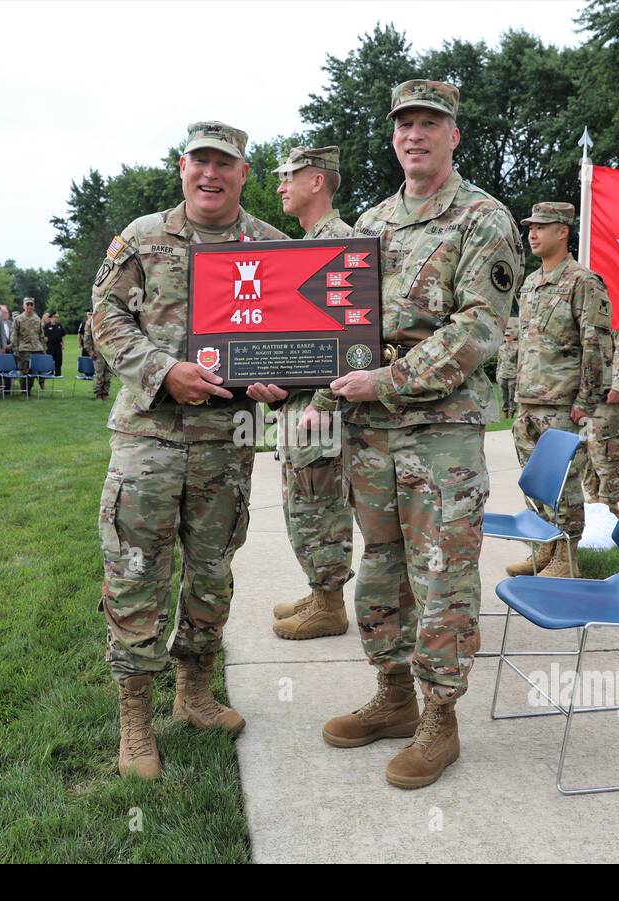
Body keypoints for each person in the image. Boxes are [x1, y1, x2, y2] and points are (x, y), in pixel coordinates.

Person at [320, 80, 522, 789]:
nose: (415, 134)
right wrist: (294, 373)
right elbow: (334, 319)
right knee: (380, 568)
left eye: (429, 123)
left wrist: (387, 380)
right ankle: (395, 698)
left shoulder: (483, 220)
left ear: (453, 135)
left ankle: (441, 718)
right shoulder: (370, 223)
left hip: (440, 434)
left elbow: (477, 331)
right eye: (404, 123)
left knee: (442, 578)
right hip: (371, 435)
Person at [92, 119, 286, 780]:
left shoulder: (272, 248)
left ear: (243, 173)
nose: (211, 174)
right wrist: (161, 369)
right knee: (137, 572)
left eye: (224, 164)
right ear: (182, 167)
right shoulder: (143, 238)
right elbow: (104, 318)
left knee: (211, 573)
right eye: (200, 162)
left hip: (226, 443)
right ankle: (136, 721)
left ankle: (195, 694)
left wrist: (279, 379)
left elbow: (293, 340)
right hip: (148, 436)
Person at [269, 145, 354, 640]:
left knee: (319, 505)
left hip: (325, 411)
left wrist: (323, 404)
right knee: (300, 502)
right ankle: (322, 591)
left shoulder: (341, 244)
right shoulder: (303, 245)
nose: (280, 185)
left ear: (317, 182)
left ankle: (330, 604)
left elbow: (356, 338)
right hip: (300, 403)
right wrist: (274, 388)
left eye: (289, 175)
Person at [506, 201, 610, 579]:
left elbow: (596, 344)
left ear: (563, 231)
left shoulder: (583, 282)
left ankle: (568, 556)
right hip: (529, 401)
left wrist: (587, 400)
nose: (532, 234)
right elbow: (520, 340)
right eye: (530, 227)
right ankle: (545, 547)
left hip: (564, 405)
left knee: (564, 483)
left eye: (541, 227)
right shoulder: (532, 282)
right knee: (533, 482)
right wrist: (510, 388)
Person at [582, 326, 619, 515]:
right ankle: (592, 503)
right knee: (584, 454)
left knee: (607, 454)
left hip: (607, 398)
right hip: (582, 396)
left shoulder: (614, 307)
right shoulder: (581, 304)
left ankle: (609, 509)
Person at [10, 297, 45, 395]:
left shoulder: (37, 319)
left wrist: (44, 349)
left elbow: (41, 335)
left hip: (37, 349)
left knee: (34, 371)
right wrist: (15, 349)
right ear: (23, 306)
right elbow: (14, 335)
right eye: (27, 304)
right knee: (24, 371)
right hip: (24, 349)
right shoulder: (18, 319)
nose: (29, 306)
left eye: (31, 304)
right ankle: (24, 391)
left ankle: (29, 389)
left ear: (34, 306)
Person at [81, 310, 112, 399]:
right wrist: (90, 352)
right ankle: (98, 394)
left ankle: (105, 393)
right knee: (99, 374)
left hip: (110, 351)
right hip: (98, 352)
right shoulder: (91, 321)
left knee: (108, 374)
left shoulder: (109, 318)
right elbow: (86, 338)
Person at [496, 311, 519, 418]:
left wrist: (519, 375)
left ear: (512, 337)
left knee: (512, 395)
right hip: (502, 374)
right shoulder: (501, 348)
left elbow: (519, 362)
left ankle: (512, 411)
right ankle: (505, 411)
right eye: (506, 336)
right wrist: (497, 374)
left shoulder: (517, 348)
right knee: (503, 394)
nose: (507, 337)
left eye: (509, 336)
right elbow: (499, 362)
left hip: (513, 375)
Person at [42, 311, 67, 377]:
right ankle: (50, 372)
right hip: (50, 345)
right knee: (50, 359)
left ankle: (58, 373)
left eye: (57, 317)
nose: (56, 318)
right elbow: (43, 336)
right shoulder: (47, 326)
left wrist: (63, 344)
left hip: (58, 345)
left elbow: (63, 335)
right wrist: (45, 344)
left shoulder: (59, 325)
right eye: (55, 317)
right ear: (51, 318)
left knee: (59, 360)